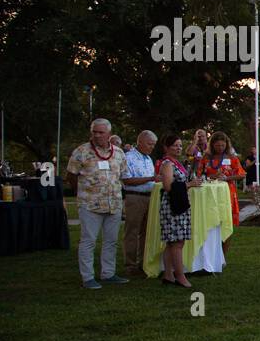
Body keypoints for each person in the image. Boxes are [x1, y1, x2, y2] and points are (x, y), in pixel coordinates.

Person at [66, 118, 130, 288]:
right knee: (88, 241)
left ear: (109, 134)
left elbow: (123, 175)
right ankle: (87, 277)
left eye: (101, 132)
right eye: (94, 132)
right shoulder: (81, 151)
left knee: (111, 241)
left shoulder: (118, 153)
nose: (97, 135)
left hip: (113, 204)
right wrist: (81, 192)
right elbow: (71, 175)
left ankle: (108, 273)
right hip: (90, 204)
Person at [156, 134, 199, 288]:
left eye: (180, 145)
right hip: (172, 206)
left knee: (171, 242)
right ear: (166, 147)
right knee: (177, 242)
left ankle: (168, 275)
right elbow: (168, 186)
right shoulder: (167, 164)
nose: (179, 148)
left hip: (179, 204)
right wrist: (190, 184)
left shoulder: (176, 163)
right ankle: (180, 276)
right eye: (175, 145)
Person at [196, 131, 246, 250]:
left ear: (226, 145)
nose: (220, 148)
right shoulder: (206, 158)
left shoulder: (232, 158)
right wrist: (210, 177)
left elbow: (242, 174)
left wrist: (227, 178)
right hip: (210, 195)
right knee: (211, 223)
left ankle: (223, 256)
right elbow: (199, 174)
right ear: (212, 145)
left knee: (226, 224)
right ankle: (212, 254)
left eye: (223, 146)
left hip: (228, 194)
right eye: (217, 145)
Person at [121, 130, 158, 278]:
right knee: (132, 232)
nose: (151, 147)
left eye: (153, 145)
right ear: (140, 141)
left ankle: (143, 263)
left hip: (150, 197)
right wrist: (151, 178)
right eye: (149, 144)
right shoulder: (128, 157)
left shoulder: (148, 158)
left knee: (146, 233)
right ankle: (130, 265)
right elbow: (127, 180)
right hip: (135, 198)